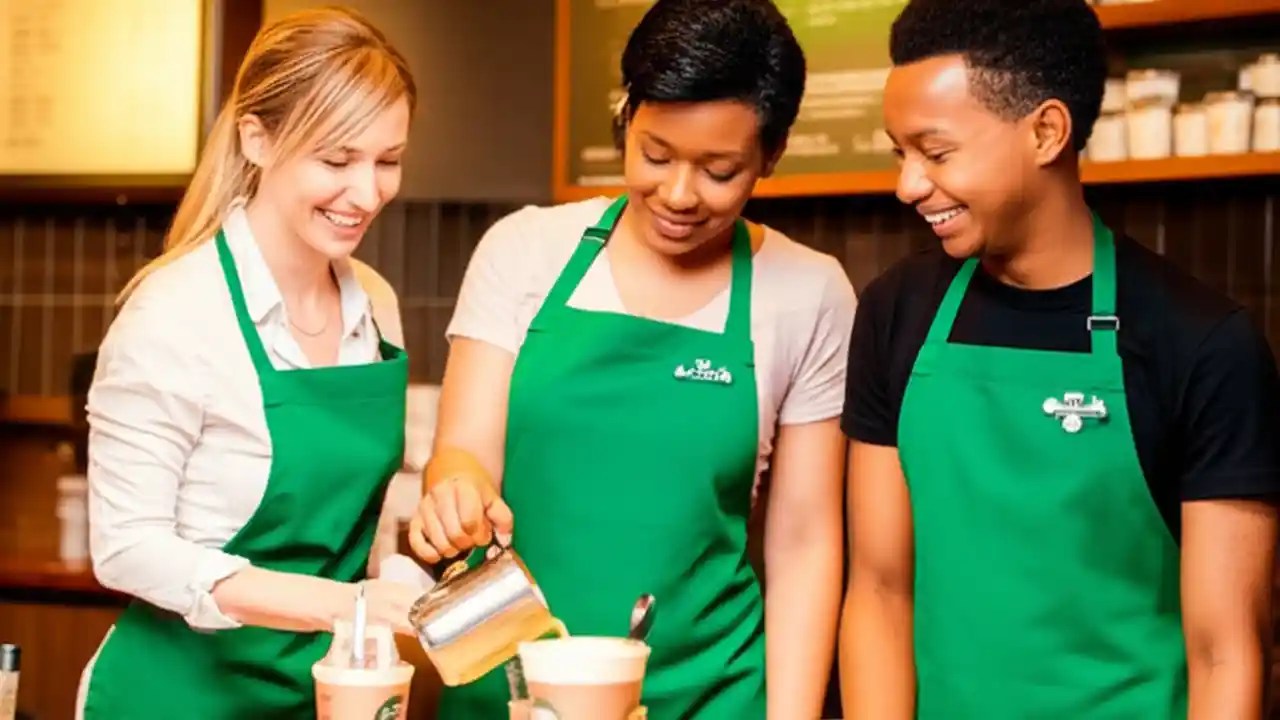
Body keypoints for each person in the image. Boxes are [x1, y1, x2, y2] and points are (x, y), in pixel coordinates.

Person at [408, 0, 853, 717]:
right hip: (513, 689)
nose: (678, 194)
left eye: (719, 170)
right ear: (626, 117)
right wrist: (455, 491)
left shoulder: (810, 293)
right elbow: (463, 451)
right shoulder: (525, 251)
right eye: (655, 154)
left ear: (770, 156)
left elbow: (803, 542)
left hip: (706, 695)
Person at [839, 0, 1280, 717]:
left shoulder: (1202, 342)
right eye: (901, 153)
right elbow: (882, 590)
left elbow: (1228, 651)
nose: (908, 185)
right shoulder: (897, 311)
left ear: (1046, 131)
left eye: (937, 152)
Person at [75, 7, 421, 718]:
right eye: (337, 159)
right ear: (257, 139)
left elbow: (352, 526)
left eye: (387, 161)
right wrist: (346, 606)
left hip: (316, 693)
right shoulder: (172, 315)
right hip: (173, 698)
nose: (367, 194)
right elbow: (127, 547)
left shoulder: (375, 306)